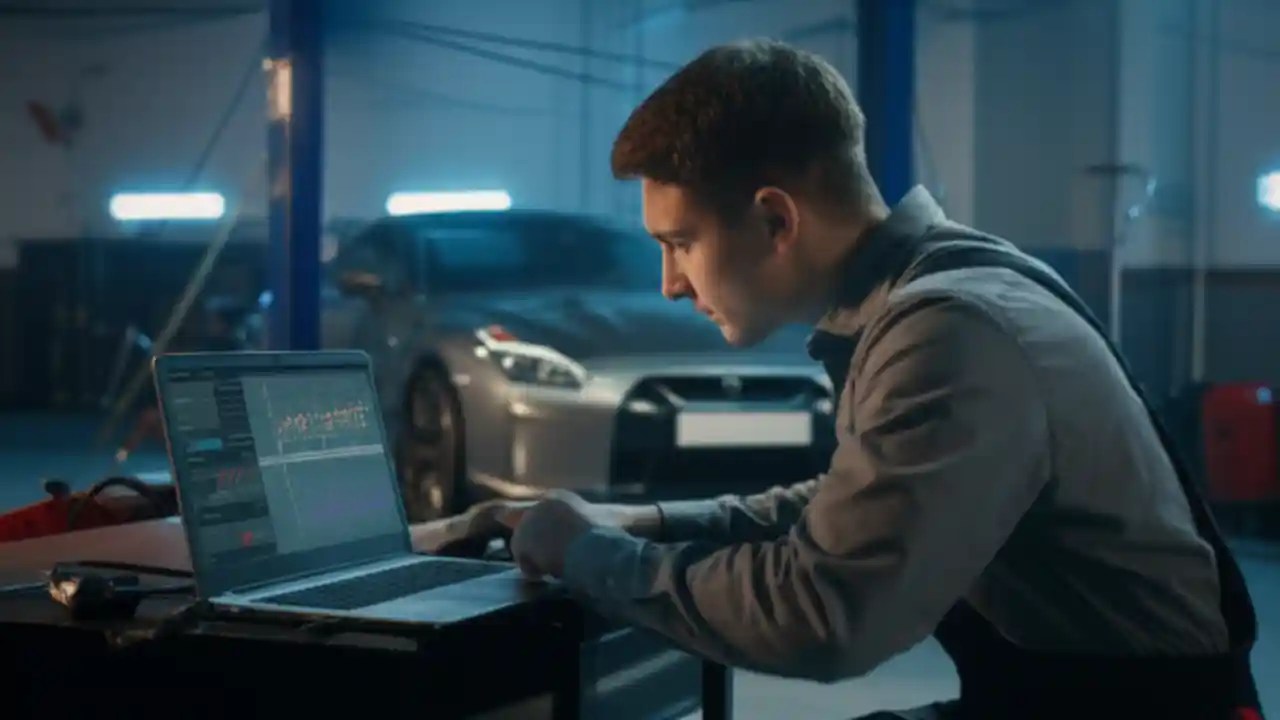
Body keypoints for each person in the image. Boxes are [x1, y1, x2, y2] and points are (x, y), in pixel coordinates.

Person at [430, 40, 1261, 719]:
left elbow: (825, 612)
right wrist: (637, 521)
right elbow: (854, 508)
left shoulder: (951, 330)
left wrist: (592, 557)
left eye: (679, 242)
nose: (670, 283)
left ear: (774, 219)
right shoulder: (941, 285)